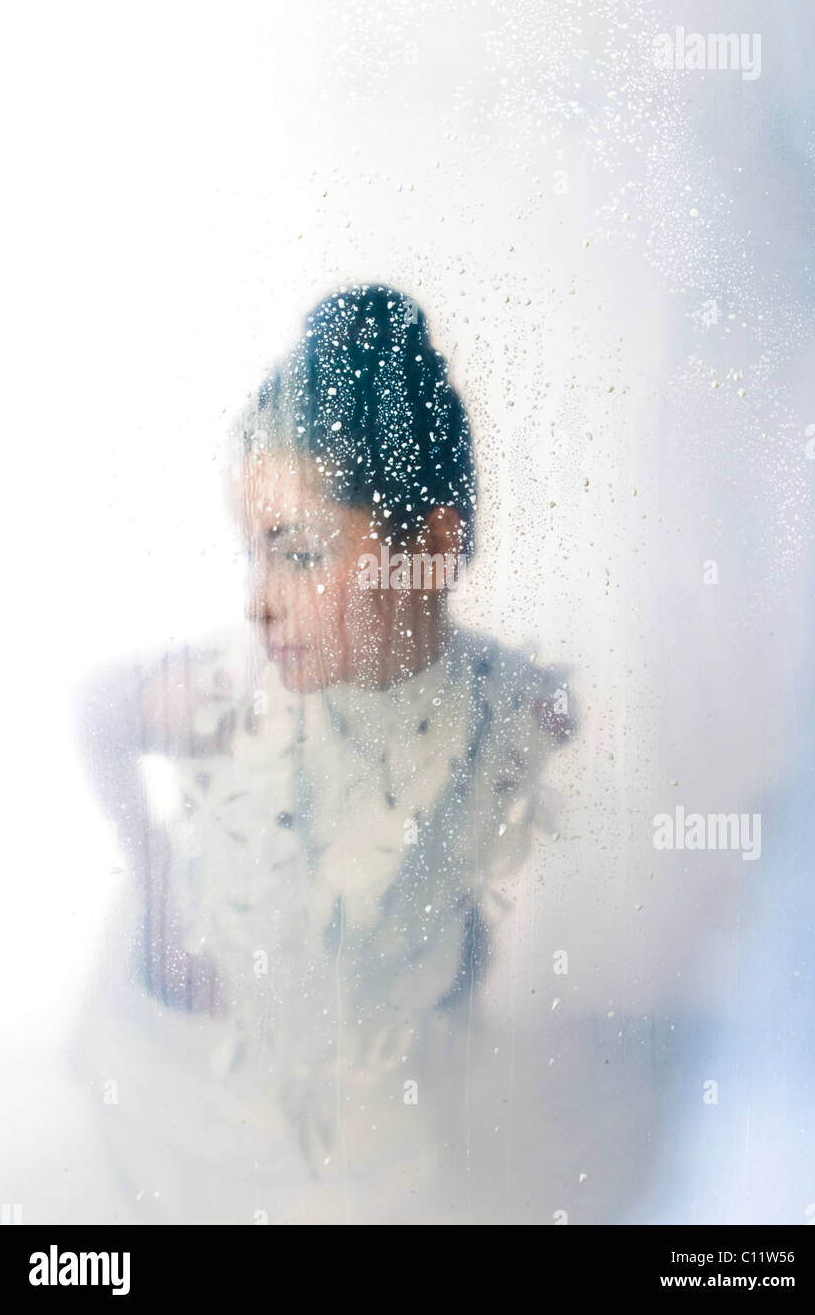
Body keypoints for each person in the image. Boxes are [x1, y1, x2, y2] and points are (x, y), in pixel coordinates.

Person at [74, 285, 573, 1224]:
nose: (257, 601)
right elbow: (96, 709)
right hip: (183, 1082)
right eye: (252, 552)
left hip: (365, 1096)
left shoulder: (513, 707)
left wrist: (452, 940)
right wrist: (155, 894)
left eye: (296, 553)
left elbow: (464, 822)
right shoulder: (232, 693)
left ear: (429, 548)